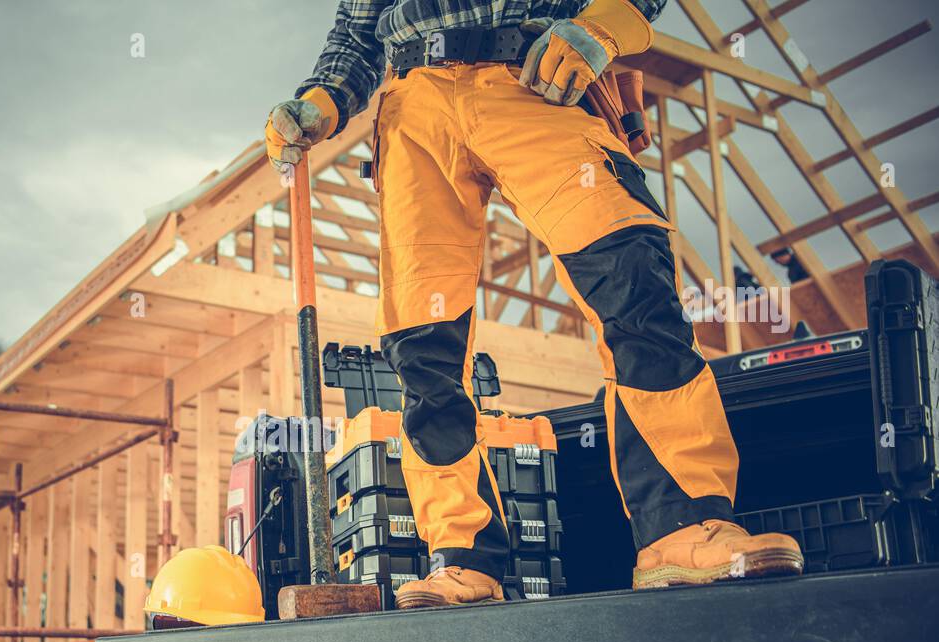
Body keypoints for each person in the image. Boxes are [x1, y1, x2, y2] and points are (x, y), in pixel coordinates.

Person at [264, 0, 803, 605]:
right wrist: (323, 97)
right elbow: (358, 31)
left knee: (631, 279)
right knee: (422, 344)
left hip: (539, 77)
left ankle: (681, 529)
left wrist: (598, 26)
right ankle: (462, 559)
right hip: (415, 105)